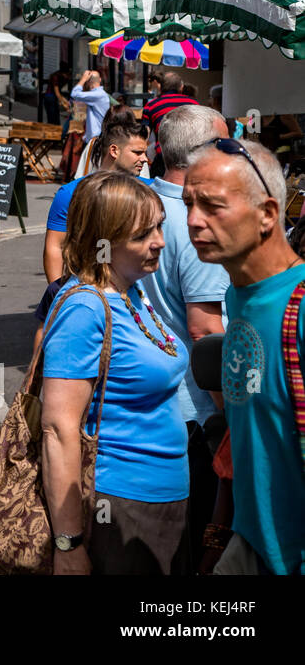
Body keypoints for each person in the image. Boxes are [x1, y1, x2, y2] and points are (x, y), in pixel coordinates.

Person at [40, 172, 190, 575]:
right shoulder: (85, 308)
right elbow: (58, 429)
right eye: (143, 233)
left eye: (160, 226)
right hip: (117, 505)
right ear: (103, 240)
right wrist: (68, 544)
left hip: (160, 499)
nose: (158, 240)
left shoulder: (132, 291)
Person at [186, 138, 305, 575]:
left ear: (268, 215)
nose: (194, 221)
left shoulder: (301, 306)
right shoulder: (238, 298)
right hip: (250, 545)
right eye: (189, 204)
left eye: (213, 206)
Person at [135, 105, 230, 564]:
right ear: (203, 154)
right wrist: (231, 413)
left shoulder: (140, 203)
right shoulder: (198, 223)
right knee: (195, 546)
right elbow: (206, 328)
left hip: (149, 401)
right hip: (195, 413)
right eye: (227, 145)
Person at [42, 113, 150, 285]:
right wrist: (55, 294)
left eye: (144, 152)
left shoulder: (151, 191)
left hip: (139, 296)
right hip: (89, 289)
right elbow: (55, 245)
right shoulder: (71, 193)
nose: (145, 159)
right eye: (137, 152)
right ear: (114, 150)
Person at [70, 70, 112, 147]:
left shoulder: (96, 95)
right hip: (96, 136)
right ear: (100, 80)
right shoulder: (100, 94)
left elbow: (74, 94)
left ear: (88, 81)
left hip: (96, 138)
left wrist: (83, 79)